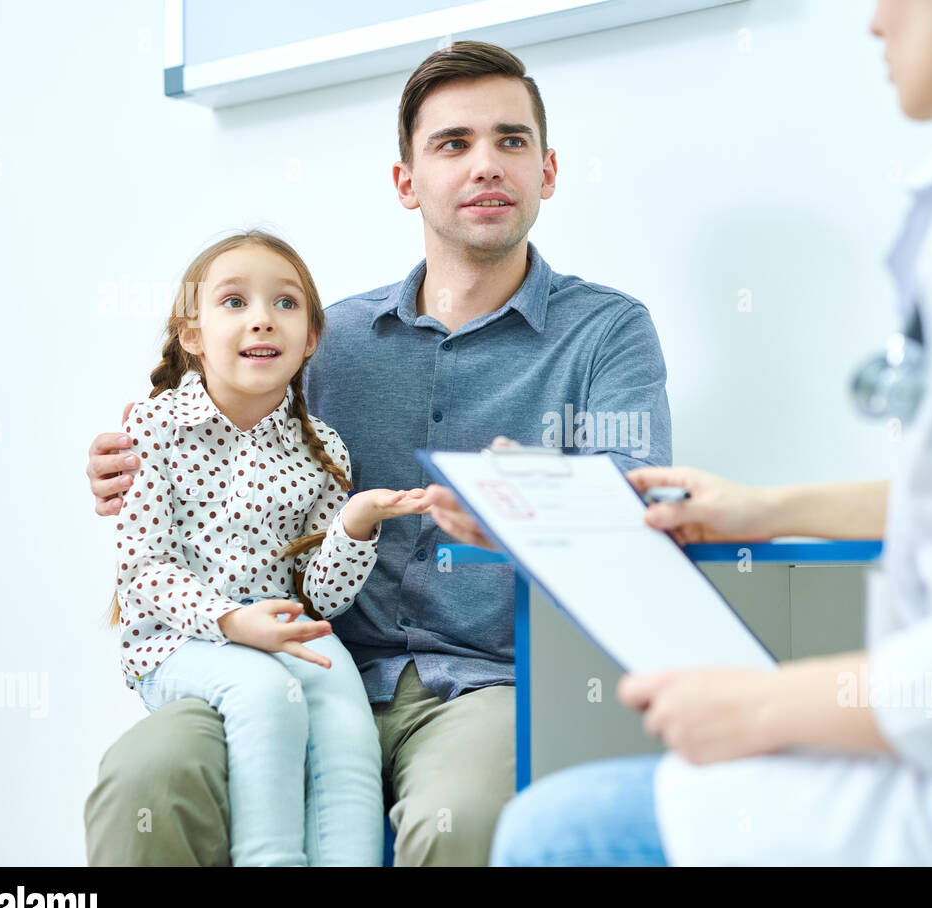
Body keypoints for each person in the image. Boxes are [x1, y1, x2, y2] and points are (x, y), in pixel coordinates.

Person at [432, 0, 932, 865]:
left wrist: (763, 706)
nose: (873, 24)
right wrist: (769, 506)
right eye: (454, 143)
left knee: (564, 833)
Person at [83, 41, 671, 866]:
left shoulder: (608, 333)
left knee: (459, 821)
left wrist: (521, 508)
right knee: (145, 779)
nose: (486, 165)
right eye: (453, 144)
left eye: (511, 140)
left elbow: (633, 514)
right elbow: (216, 428)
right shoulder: (327, 337)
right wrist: (124, 460)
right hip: (296, 664)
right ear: (407, 182)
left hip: (488, 685)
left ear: (548, 172)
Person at [110, 230, 430, 865]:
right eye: (234, 302)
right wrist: (231, 621)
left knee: (345, 719)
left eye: (285, 304)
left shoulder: (322, 450)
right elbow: (143, 570)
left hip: (286, 632)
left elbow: (322, 597)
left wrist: (356, 525)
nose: (262, 318)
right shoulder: (153, 430)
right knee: (261, 694)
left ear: (310, 338)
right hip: (182, 639)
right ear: (192, 335)